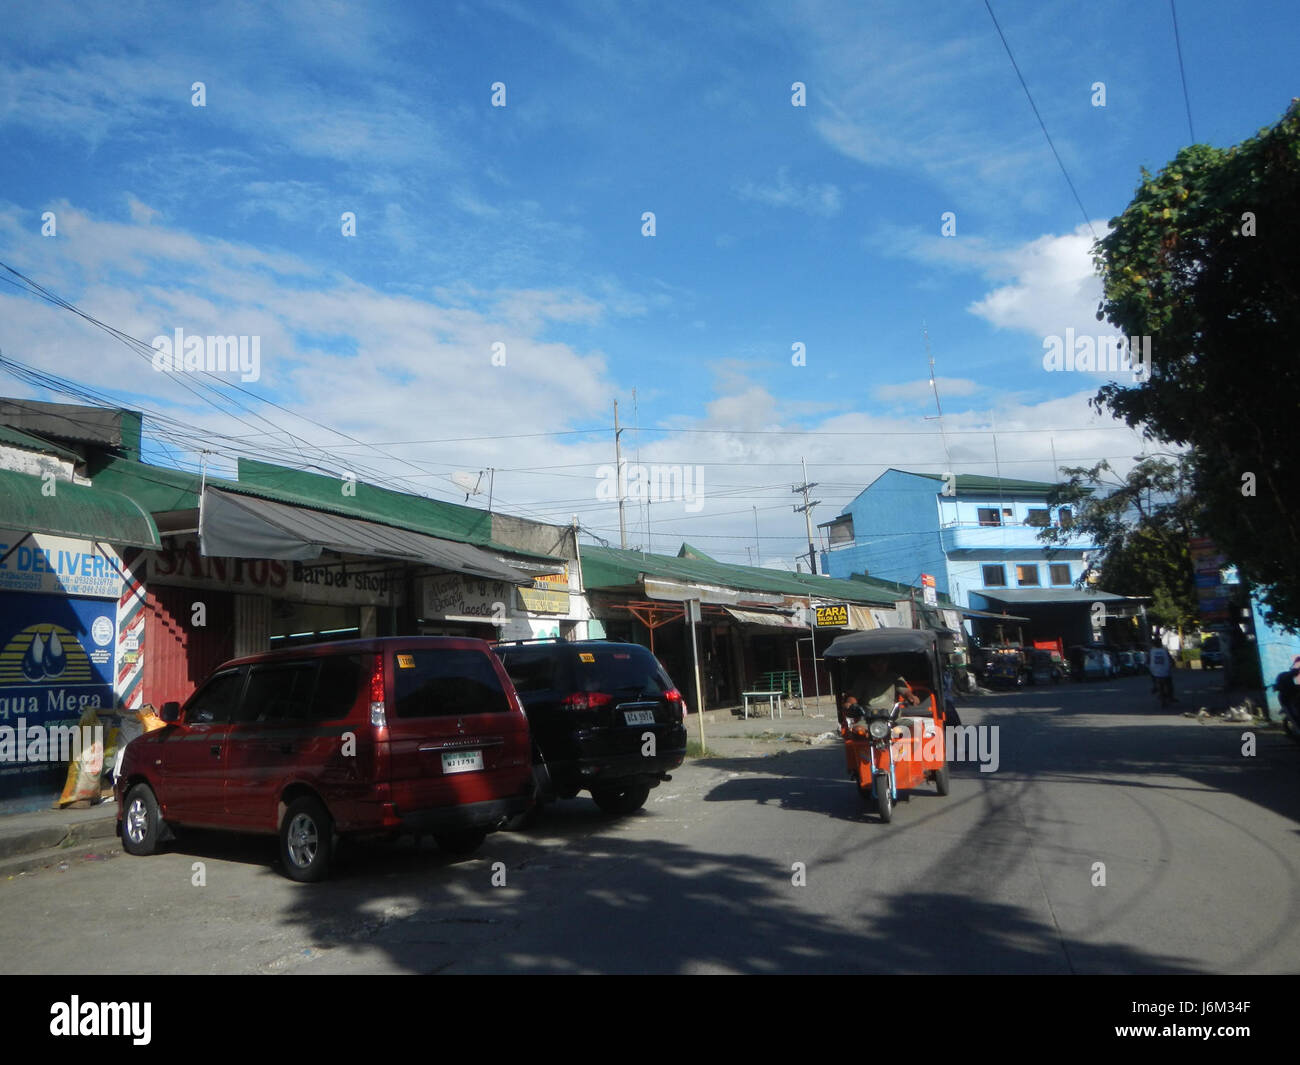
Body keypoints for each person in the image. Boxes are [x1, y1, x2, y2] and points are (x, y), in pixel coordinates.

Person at [840, 656, 918, 725]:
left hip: (893, 719)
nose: (879, 666)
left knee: (915, 728)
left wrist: (911, 697)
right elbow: (854, 696)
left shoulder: (894, 677)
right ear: (870, 665)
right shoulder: (863, 679)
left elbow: (905, 691)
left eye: (882, 663)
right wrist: (850, 704)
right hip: (868, 720)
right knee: (858, 731)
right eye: (875, 663)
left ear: (887, 664)